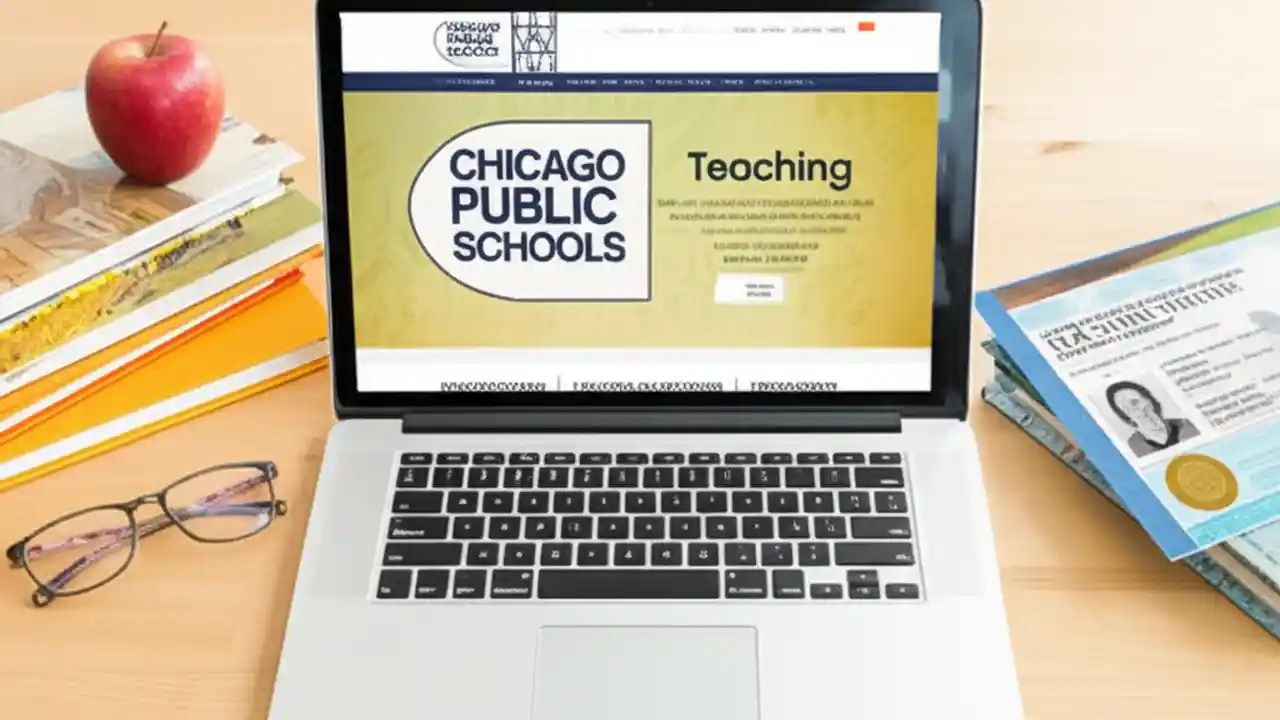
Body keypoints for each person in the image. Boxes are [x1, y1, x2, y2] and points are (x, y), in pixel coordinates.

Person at [1105, 380, 1199, 457]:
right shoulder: (1133, 446)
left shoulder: (1188, 425)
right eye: (1125, 409)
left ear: (1150, 400)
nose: (1135, 411)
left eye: (1134, 402)